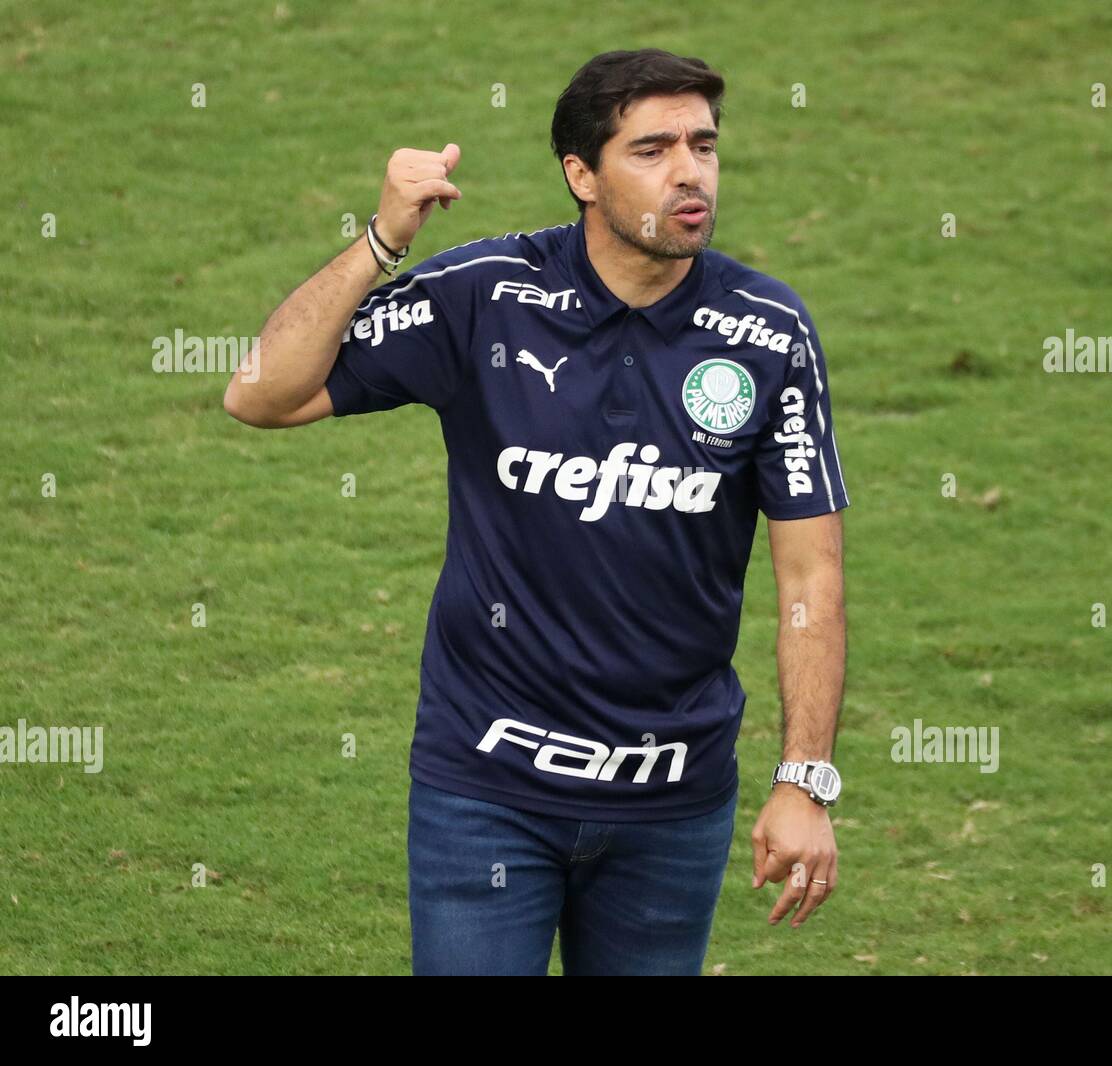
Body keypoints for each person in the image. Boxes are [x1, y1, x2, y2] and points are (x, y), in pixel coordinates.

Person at [223, 48, 850, 976]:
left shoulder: (768, 331)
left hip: (671, 802)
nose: (690, 171)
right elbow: (261, 393)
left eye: (704, 145)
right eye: (652, 149)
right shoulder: (486, 295)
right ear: (581, 175)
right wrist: (383, 241)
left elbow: (811, 574)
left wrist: (804, 781)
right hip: (485, 788)